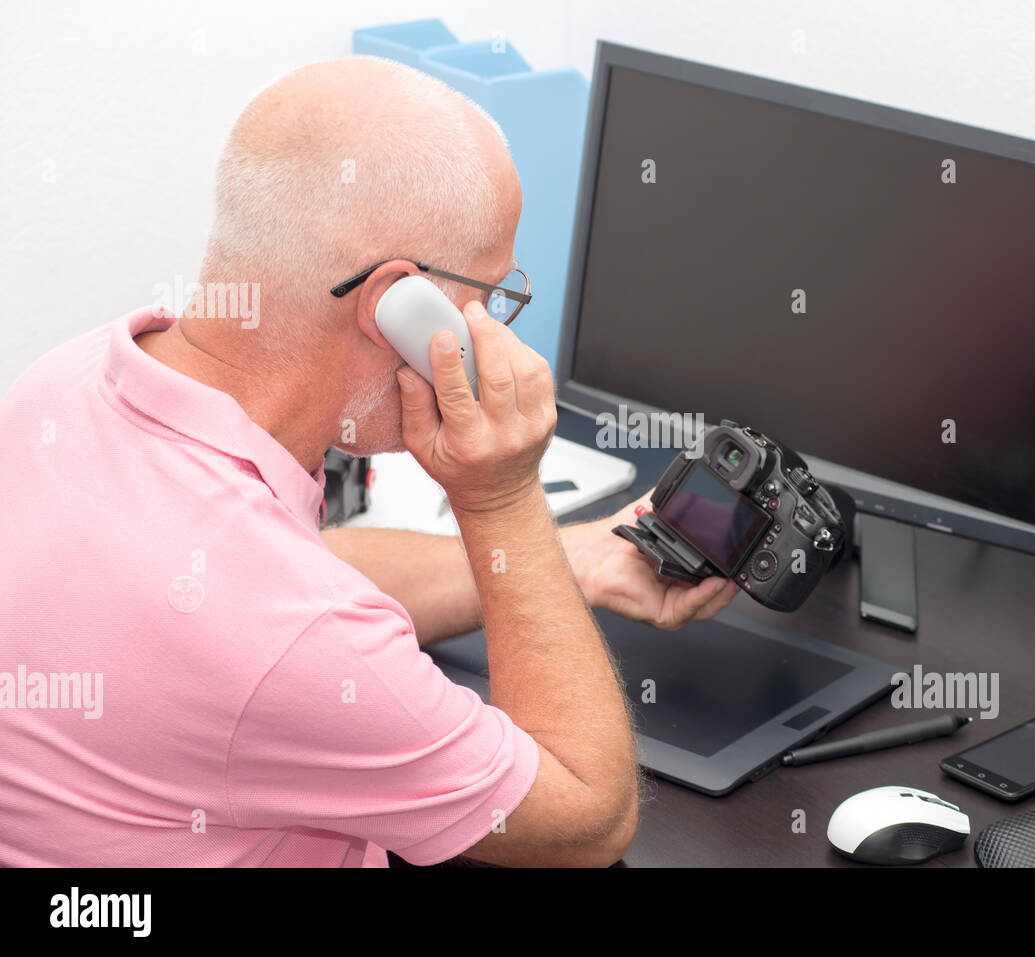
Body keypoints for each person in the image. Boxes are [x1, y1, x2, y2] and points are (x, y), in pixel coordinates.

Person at [0, 56, 737, 868]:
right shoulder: (289, 636)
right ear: (397, 308)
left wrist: (569, 561)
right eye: (488, 297)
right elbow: (589, 815)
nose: (496, 329)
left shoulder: (64, 385)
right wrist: (504, 500)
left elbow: (300, 571)